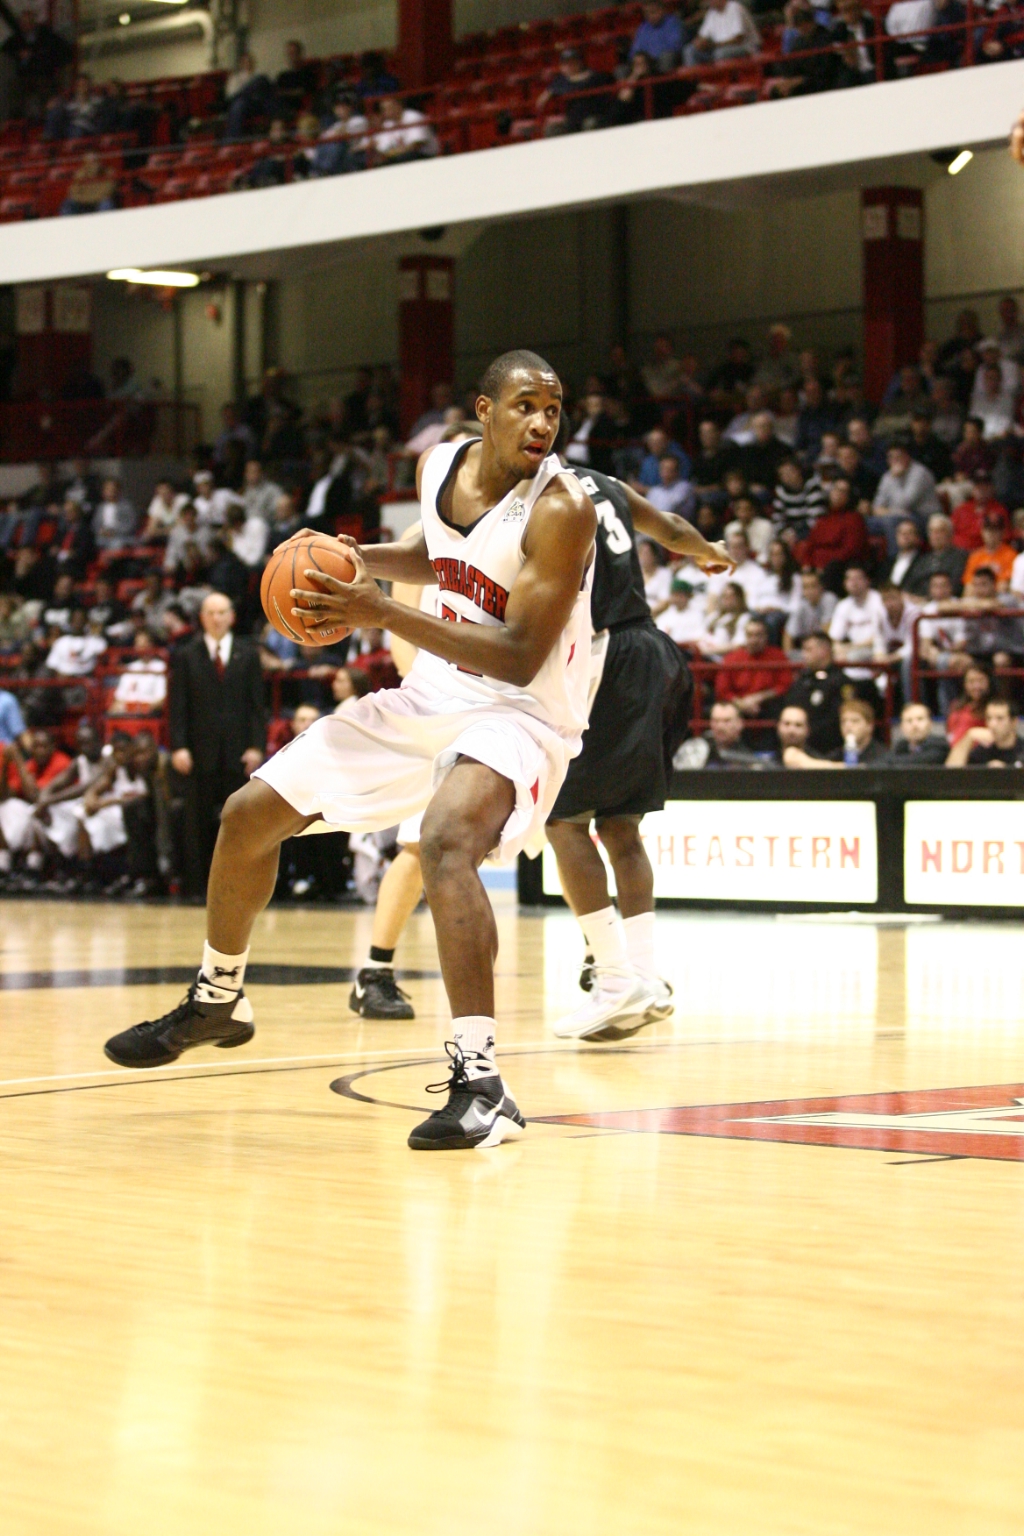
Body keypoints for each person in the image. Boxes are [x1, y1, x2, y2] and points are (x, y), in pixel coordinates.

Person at [103, 349, 597, 1158]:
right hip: (434, 691)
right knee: (247, 815)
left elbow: (517, 656)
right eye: (526, 405)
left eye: (554, 407)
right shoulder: (440, 467)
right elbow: (440, 559)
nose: (544, 422)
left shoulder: (562, 507)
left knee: (444, 842)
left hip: (521, 711)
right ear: (484, 411)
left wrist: (380, 613)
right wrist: (353, 564)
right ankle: (218, 996)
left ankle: (483, 1086)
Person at [546, 470, 731, 1041]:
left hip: (604, 655)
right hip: (653, 649)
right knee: (620, 827)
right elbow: (671, 527)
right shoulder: (602, 480)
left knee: (562, 821)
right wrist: (708, 551)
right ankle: (645, 977)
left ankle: (613, 978)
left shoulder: (537, 494)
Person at [168, 592, 267, 898]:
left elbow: (257, 706)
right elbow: (177, 706)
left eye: (222, 612)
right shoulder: (186, 655)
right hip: (198, 752)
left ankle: (237, 886)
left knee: (237, 820)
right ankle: (197, 887)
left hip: (238, 752)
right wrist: (178, 746)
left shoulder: (248, 654)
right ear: (201, 618)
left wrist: (256, 746)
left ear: (232, 616)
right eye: (210, 613)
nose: (216, 618)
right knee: (196, 822)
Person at [783, 630, 849, 753]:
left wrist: (808, 730)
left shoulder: (839, 681)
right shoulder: (803, 678)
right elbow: (790, 703)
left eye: (809, 650)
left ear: (824, 650)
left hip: (827, 747)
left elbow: (836, 719)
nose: (804, 655)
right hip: (797, 743)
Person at [714, 616, 791, 719]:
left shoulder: (778, 656)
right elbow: (722, 689)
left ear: (766, 636)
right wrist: (742, 704)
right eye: (750, 635)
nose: (754, 640)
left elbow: (784, 685)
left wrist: (759, 697)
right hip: (737, 707)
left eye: (758, 635)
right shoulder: (731, 658)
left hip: (768, 706)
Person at [783, 697, 887, 767]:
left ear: (869, 726)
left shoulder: (883, 755)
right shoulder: (837, 755)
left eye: (855, 721)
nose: (848, 726)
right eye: (844, 721)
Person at [675, 699, 758, 769]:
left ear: (739, 724)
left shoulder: (749, 755)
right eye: (716, 721)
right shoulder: (695, 749)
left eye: (727, 721)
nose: (720, 726)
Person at [946, 696, 1024, 767]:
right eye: (989, 718)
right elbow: (951, 771)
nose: (992, 724)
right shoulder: (983, 749)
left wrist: (1007, 771)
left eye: (1000, 718)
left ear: (1014, 722)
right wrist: (969, 736)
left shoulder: (1021, 750)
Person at [889, 701, 948, 766]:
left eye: (920, 719)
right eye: (909, 721)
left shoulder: (939, 745)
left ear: (930, 723)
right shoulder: (901, 746)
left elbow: (923, 760)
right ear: (901, 727)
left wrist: (890, 762)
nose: (915, 725)